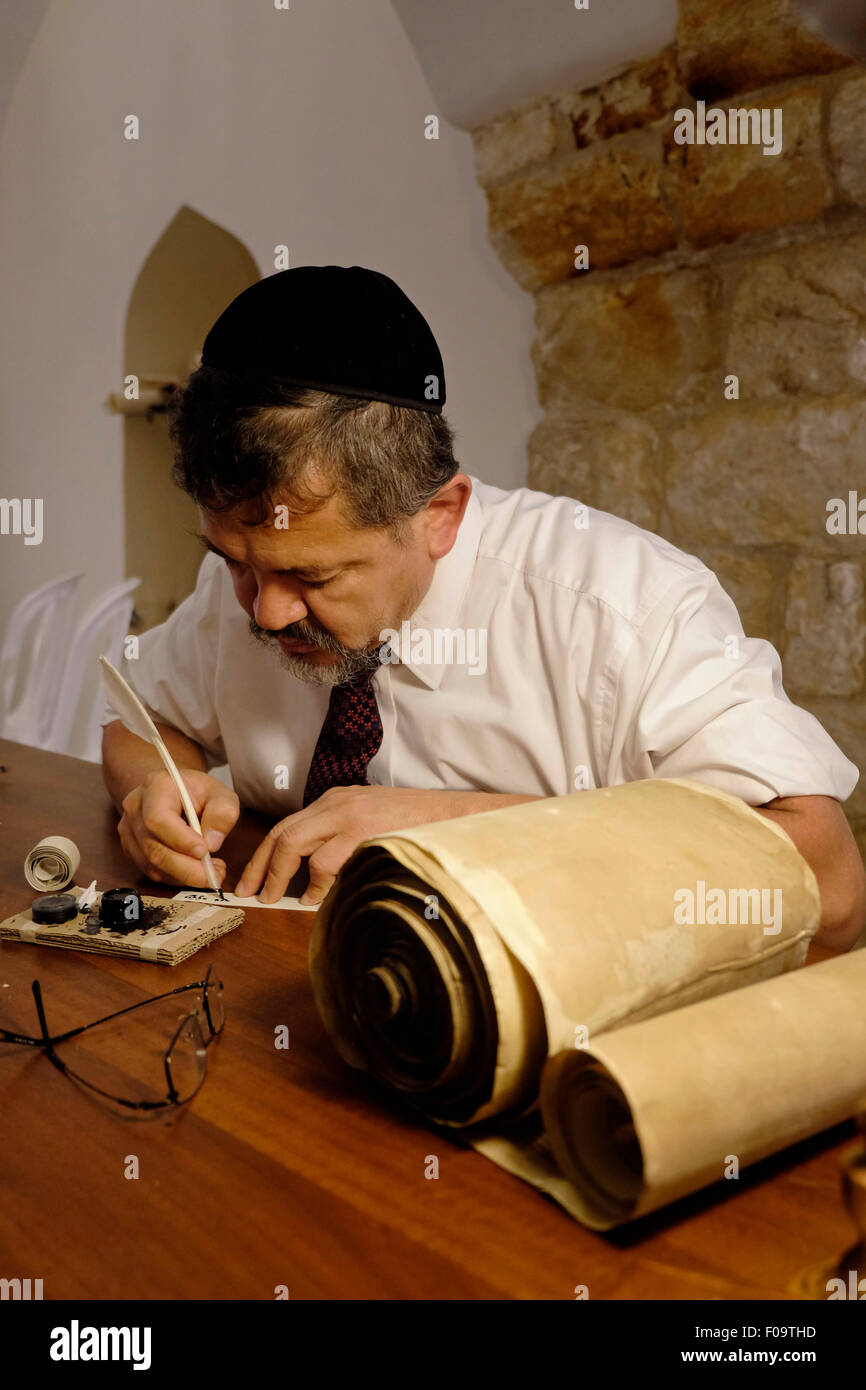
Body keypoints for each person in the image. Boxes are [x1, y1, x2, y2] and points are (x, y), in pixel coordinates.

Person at [101, 265, 865, 951]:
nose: (264, 613)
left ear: (441, 515)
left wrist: (456, 826)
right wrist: (155, 791)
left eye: (314, 576)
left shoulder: (622, 606)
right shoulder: (260, 574)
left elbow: (829, 885)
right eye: (234, 564)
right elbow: (140, 725)